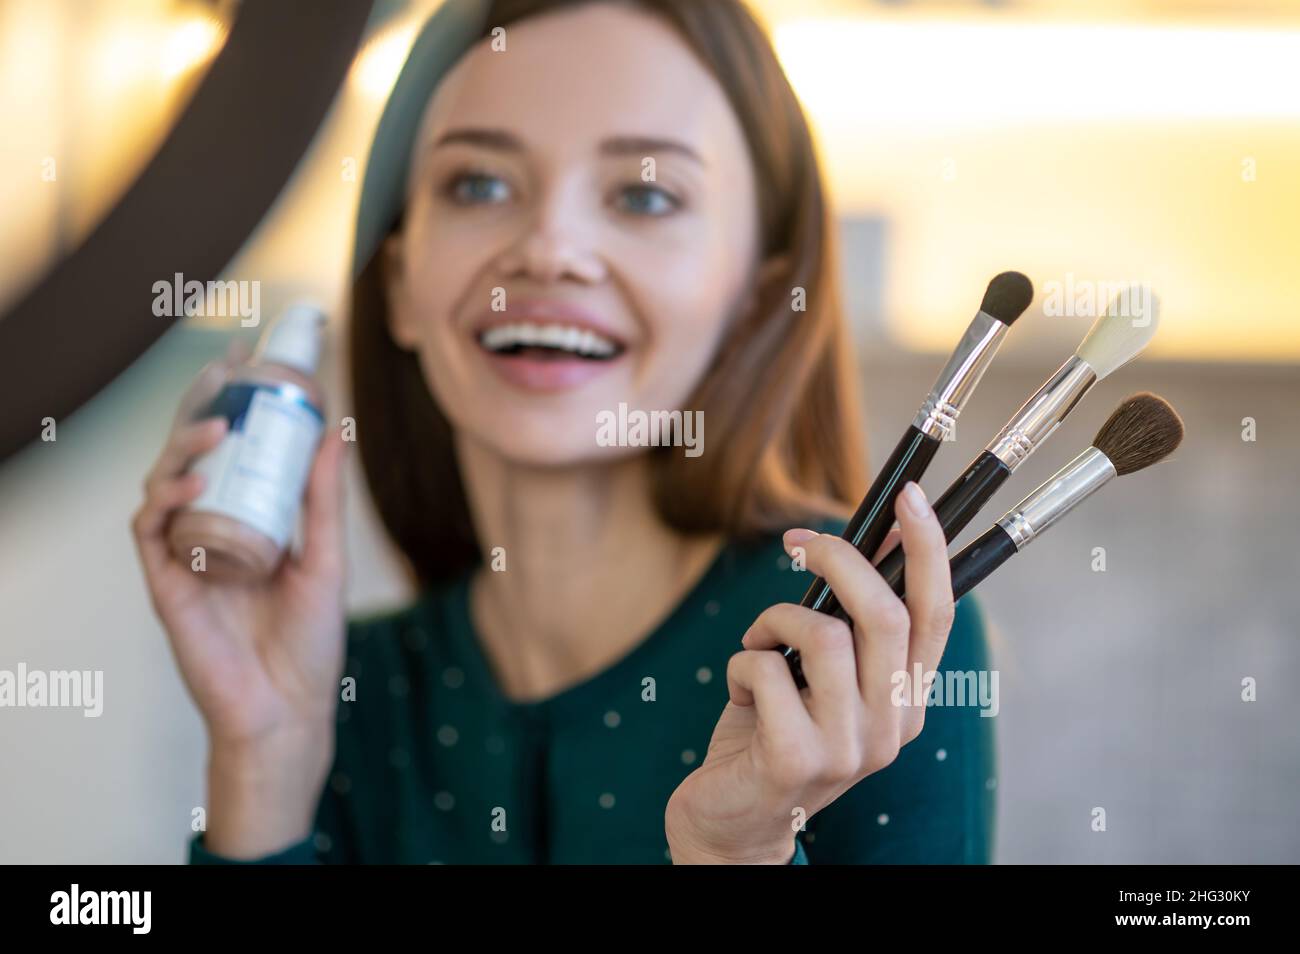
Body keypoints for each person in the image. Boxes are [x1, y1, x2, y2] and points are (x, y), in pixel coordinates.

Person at [131, 0, 996, 865]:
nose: (549, 249)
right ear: (398, 280)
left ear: (759, 295)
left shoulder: (862, 625)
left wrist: (735, 852)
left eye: (646, 194)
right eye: (480, 184)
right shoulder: (344, 686)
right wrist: (264, 757)